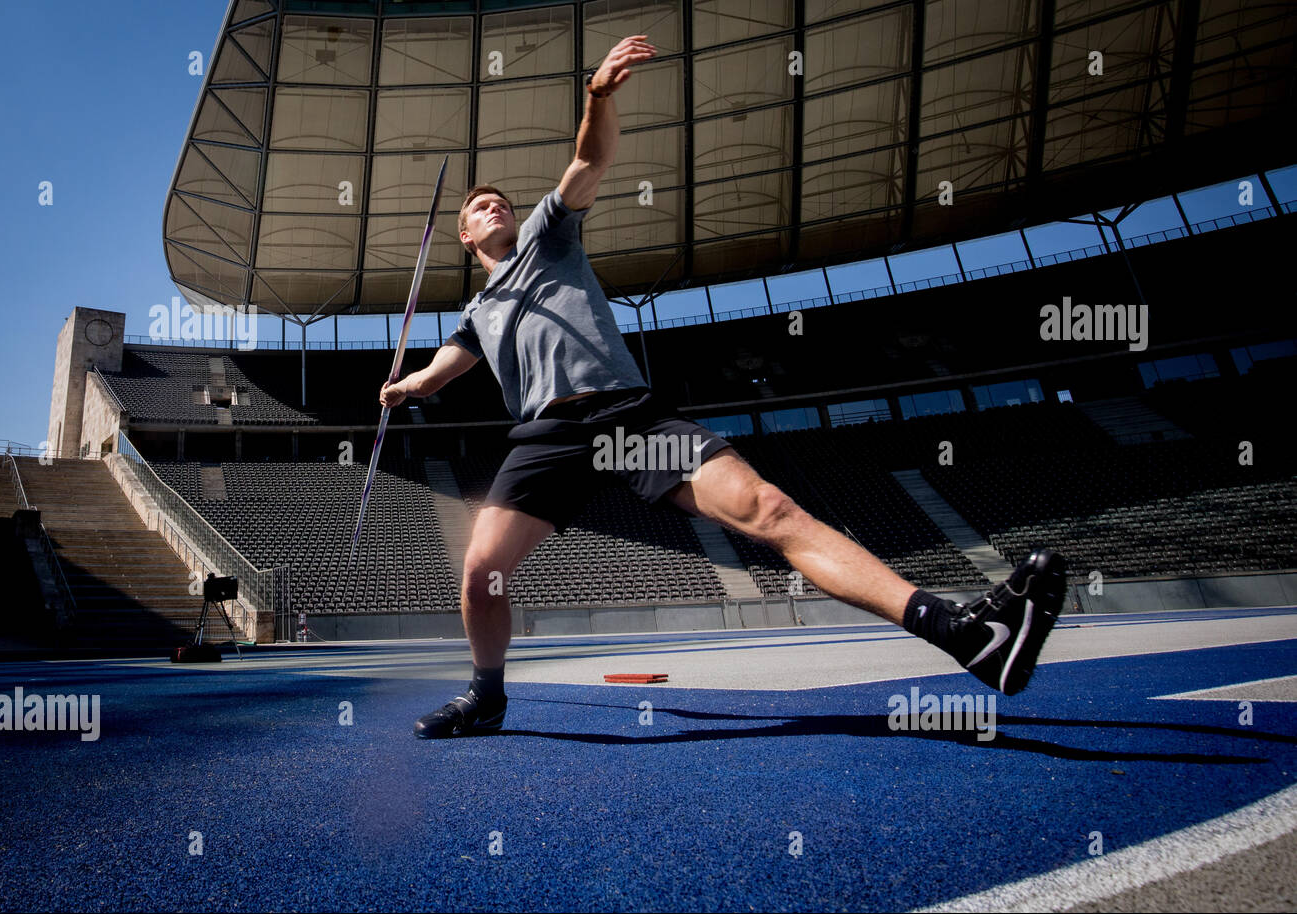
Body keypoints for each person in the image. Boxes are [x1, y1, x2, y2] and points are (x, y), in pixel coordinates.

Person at [379, 35, 1067, 739]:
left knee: (768, 509)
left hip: (626, 418)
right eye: (481, 209)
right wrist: (405, 388)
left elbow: (589, 160)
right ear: (464, 237)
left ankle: (960, 631)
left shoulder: (547, 236)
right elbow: (448, 364)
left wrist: (598, 98)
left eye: (500, 201)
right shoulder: (478, 311)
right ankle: (486, 696)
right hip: (547, 437)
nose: (495, 207)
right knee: (479, 574)